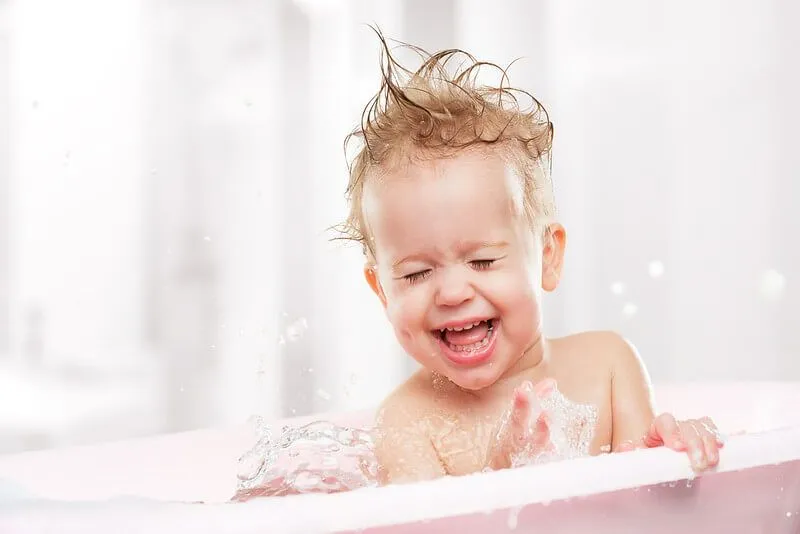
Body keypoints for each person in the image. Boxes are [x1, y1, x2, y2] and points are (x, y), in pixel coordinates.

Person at [334, 30, 723, 485]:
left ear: (548, 254)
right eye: (417, 273)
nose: (454, 292)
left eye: (482, 262)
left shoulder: (608, 366)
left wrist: (673, 453)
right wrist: (506, 469)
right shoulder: (407, 425)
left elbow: (645, 511)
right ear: (382, 290)